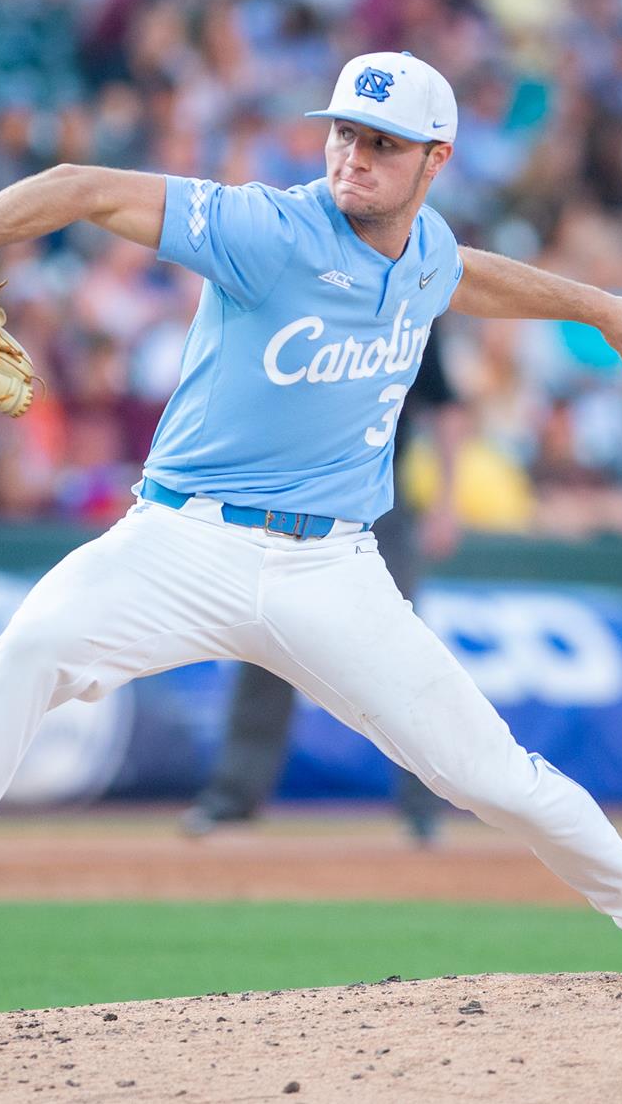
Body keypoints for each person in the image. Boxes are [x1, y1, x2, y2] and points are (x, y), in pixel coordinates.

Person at [0, 51, 622, 1000]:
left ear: (435, 160)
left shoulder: (421, 251)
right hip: (178, 543)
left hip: (332, 569)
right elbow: (81, 183)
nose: (351, 154)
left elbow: (466, 273)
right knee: (23, 653)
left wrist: (604, 307)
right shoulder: (266, 229)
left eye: (380, 142)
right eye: (342, 132)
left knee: (490, 776)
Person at [181, 324, 463, 845]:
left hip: (377, 497)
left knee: (397, 651)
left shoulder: (410, 296)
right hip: (291, 489)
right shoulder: (306, 280)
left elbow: (441, 401)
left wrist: (448, 499)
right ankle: (231, 798)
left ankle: (424, 805)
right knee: (265, 635)